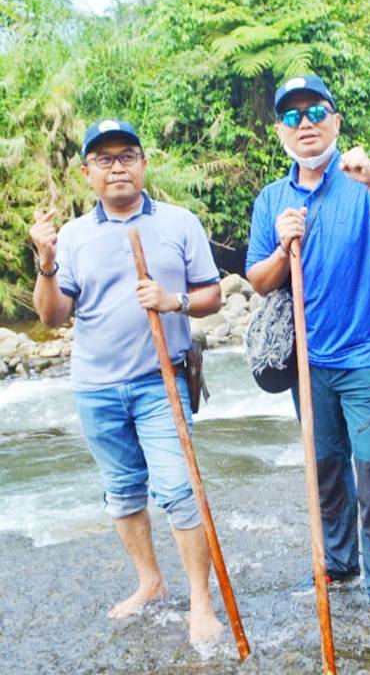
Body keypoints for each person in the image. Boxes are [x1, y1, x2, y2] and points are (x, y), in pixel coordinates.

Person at [29, 119, 225, 644]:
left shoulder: (179, 222)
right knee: (121, 492)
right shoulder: (72, 236)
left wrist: (172, 300)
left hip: (163, 380)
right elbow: (51, 317)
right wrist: (46, 265)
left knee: (180, 491)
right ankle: (150, 583)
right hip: (96, 386)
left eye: (127, 156)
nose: (117, 166)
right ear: (88, 171)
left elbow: (212, 296)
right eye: (105, 159)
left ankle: (201, 601)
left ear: (143, 164)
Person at [245, 75, 370, 640]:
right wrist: (281, 244)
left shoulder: (364, 182)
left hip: (369, 354)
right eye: (292, 117)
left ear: (336, 121)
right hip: (309, 361)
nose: (305, 124)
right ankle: (339, 564)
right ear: (280, 131)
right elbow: (258, 279)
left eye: (316, 111)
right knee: (324, 467)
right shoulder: (273, 199)